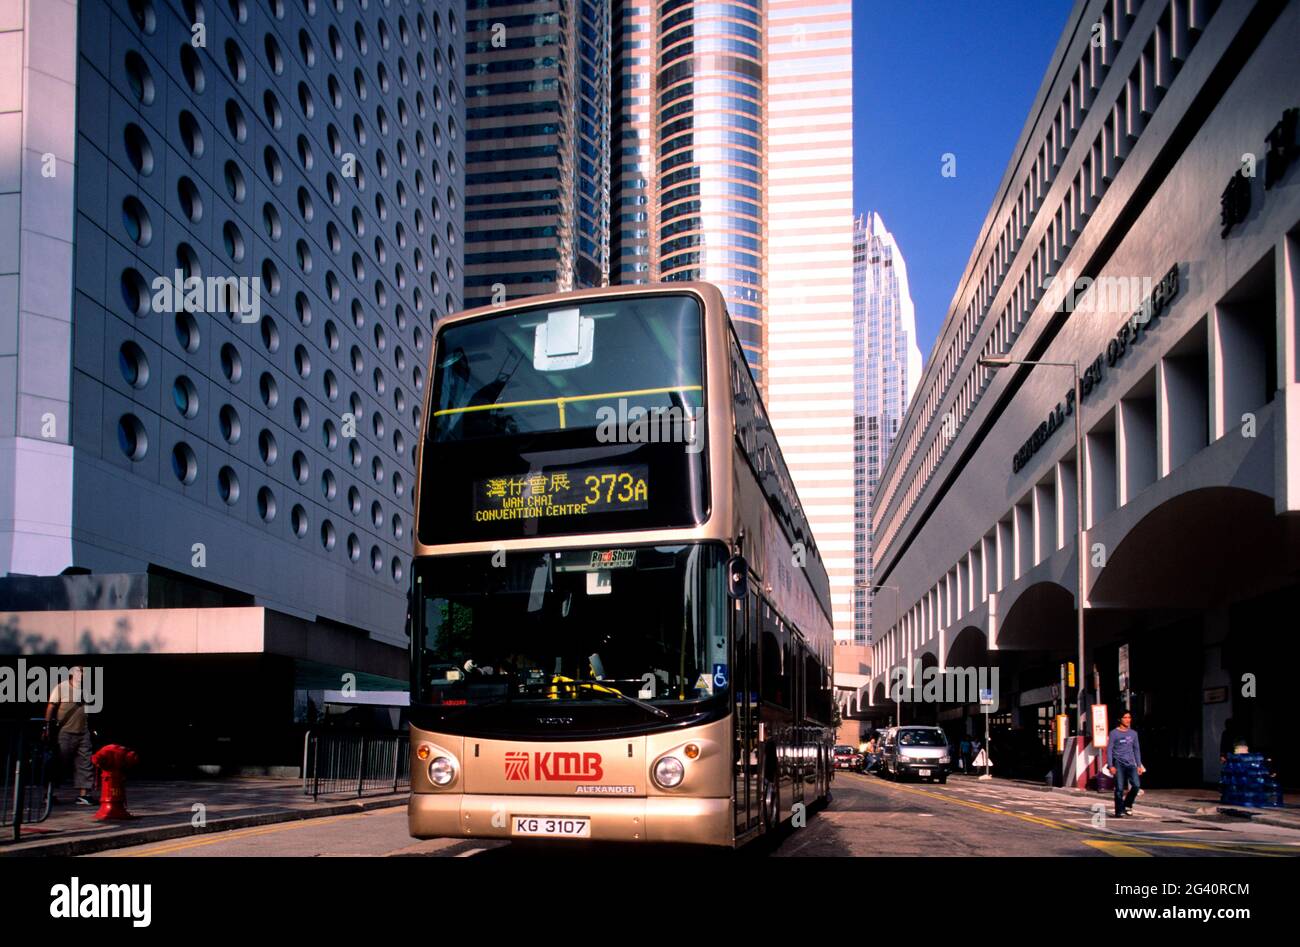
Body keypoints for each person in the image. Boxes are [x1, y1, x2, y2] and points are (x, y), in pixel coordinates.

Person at [44, 666, 95, 806]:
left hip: (83, 732)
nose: (83, 675)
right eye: (80, 672)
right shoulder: (61, 688)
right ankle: (49, 794)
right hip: (65, 732)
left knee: (85, 763)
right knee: (58, 763)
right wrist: (47, 726)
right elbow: (51, 706)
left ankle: (84, 795)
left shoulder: (85, 690)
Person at [1107, 711, 1145, 817]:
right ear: (1120, 719)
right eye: (1125, 717)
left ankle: (1127, 804)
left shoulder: (1133, 733)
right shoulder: (1114, 733)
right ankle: (1119, 810)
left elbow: (1137, 750)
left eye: (1129, 717)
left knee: (1136, 785)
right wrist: (1111, 765)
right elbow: (1109, 750)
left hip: (1131, 764)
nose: (1128, 720)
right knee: (1119, 788)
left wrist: (1139, 765)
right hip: (1118, 763)